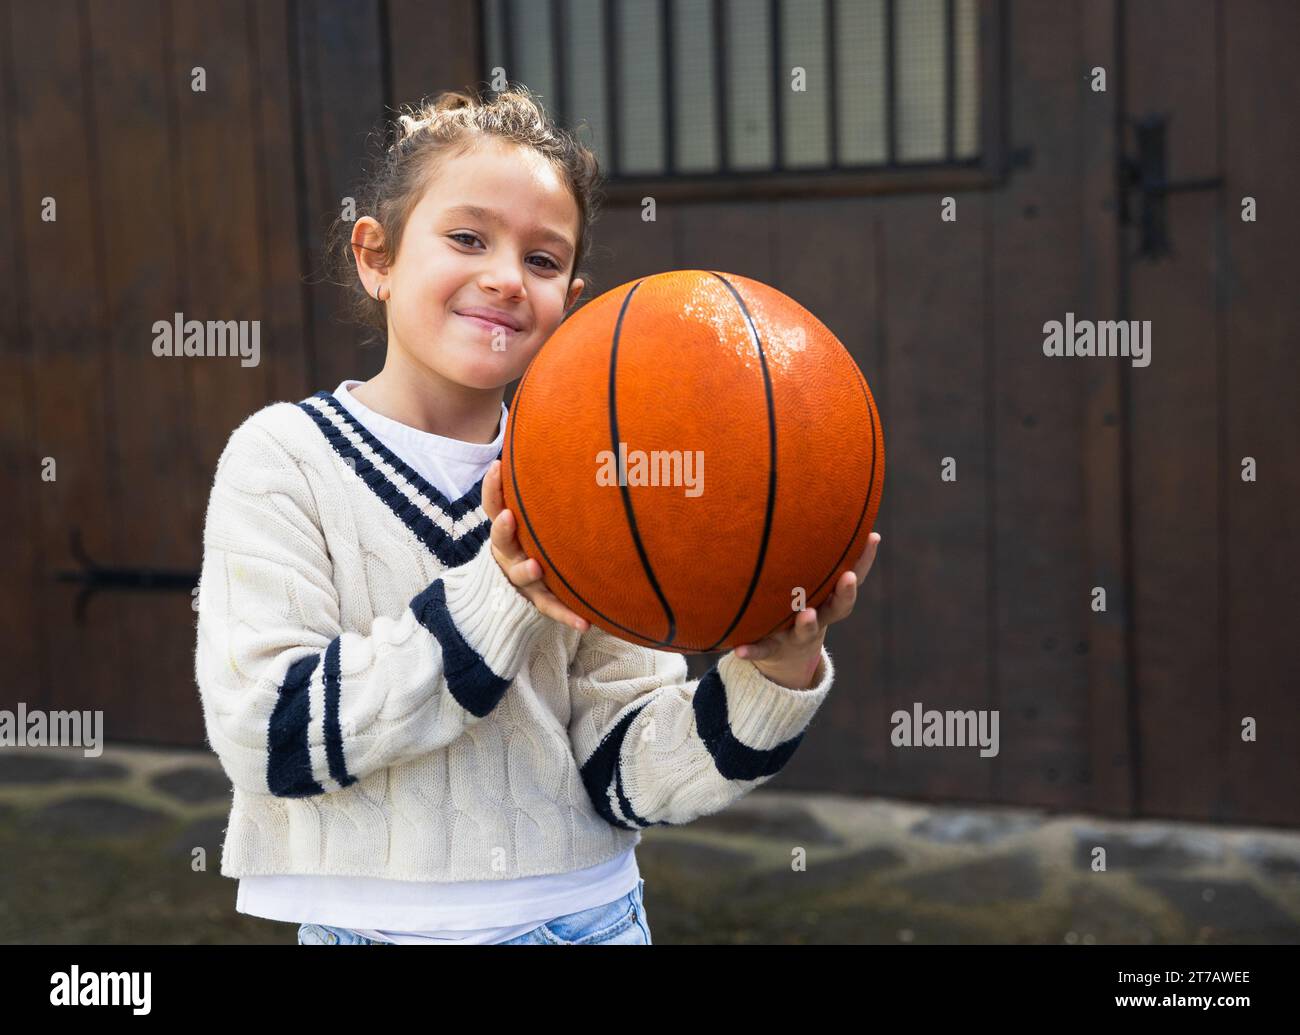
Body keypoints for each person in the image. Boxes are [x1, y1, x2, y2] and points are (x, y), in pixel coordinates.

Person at [193, 84, 880, 945]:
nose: (505, 278)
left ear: (573, 301)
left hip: (586, 920)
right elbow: (270, 737)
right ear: (377, 255)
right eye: (468, 237)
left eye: (544, 260)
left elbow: (625, 770)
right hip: (366, 931)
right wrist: (498, 596)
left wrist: (769, 680)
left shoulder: (602, 484)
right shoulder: (282, 458)